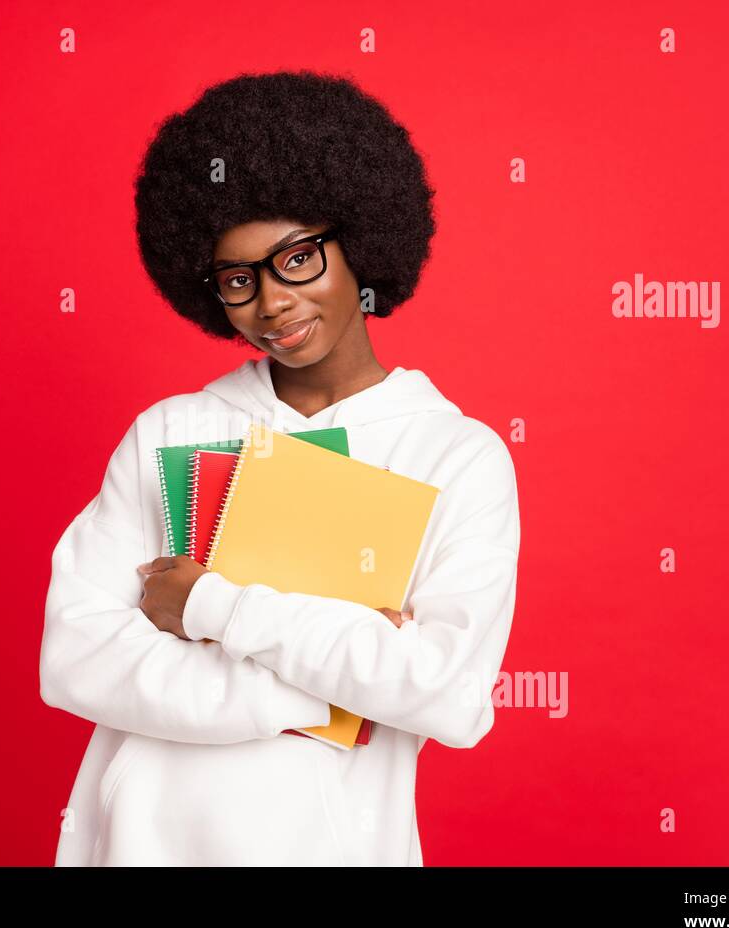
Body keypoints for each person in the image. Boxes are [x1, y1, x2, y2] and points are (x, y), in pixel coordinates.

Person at [39, 70, 521, 866]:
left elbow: (449, 696)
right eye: (238, 279)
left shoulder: (454, 456)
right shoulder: (171, 431)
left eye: (297, 259)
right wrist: (326, 686)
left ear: (358, 244)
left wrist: (209, 607)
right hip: (137, 848)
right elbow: (76, 660)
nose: (273, 303)